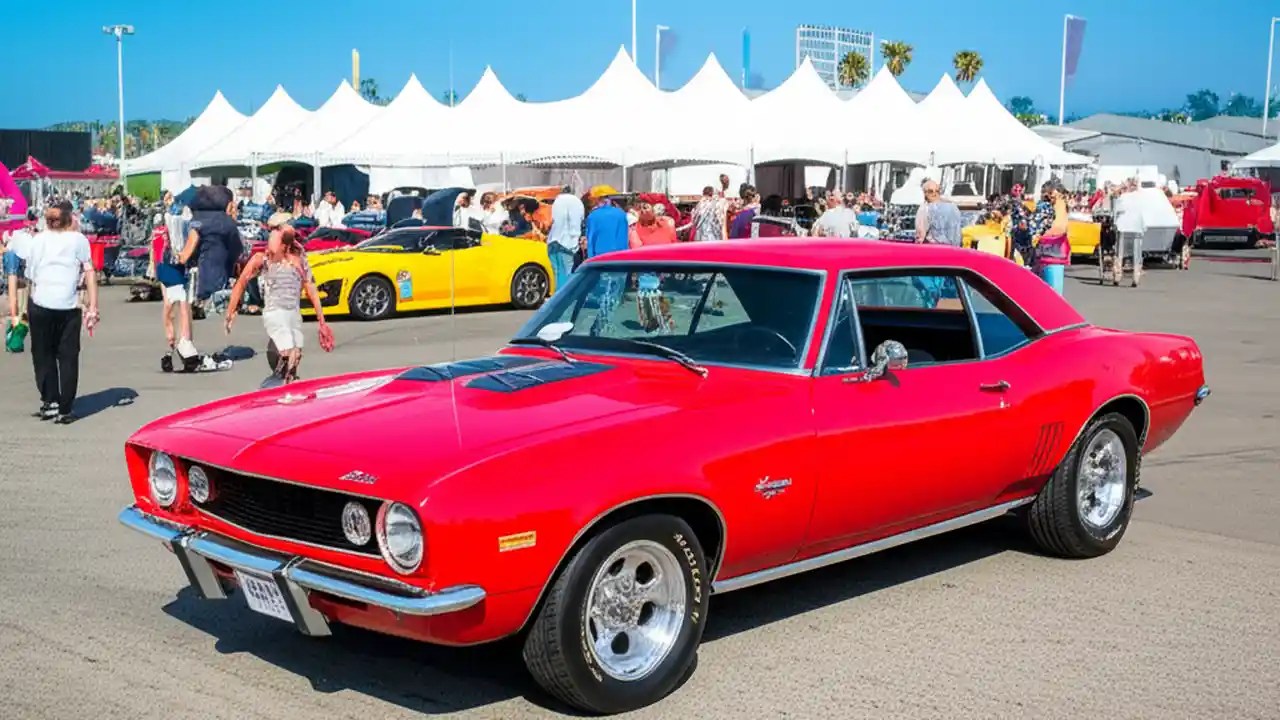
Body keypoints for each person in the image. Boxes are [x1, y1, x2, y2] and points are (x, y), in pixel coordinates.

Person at [13, 201, 98, 423]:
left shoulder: (36, 241)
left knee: (43, 354)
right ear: (69, 220)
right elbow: (89, 271)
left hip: (40, 302)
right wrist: (93, 305)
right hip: (68, 305)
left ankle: (49, 400)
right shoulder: (78, 240)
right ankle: (65, 408)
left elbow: (29, 274)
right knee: (68, 356)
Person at [225, 223, 332, 383]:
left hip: (291, 317)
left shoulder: (299, 262)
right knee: (287, 353)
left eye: (273, 240)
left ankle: (287, 385)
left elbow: (311, 289)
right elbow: (241, 283)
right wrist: (231, 311)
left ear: (284, 245)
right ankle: (282, 383)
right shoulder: (262, 260)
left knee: (294, 357)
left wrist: (322, 322)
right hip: (275, 317)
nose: (269, 244)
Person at [177, 186, 241, 317]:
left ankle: (199, 302)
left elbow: (187, 252)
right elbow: (237, 248)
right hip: (221, 270)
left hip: (201, 271)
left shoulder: (196, 221)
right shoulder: (227, 222)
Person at [1033, 179, 1071, 294]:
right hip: (1049, 251)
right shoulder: (1048, 206)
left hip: (1053, 251)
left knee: (1050, 291)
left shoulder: (1059, 205)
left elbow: (1060, 227)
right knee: (1048, 291)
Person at [547, 186, 584, 288]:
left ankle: (556, 299)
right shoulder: (576, 202)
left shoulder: (557, 201)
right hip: (568, 243)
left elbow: (551, 220)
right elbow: (577, 221)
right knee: (567, 273)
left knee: (557, 273)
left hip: (552, 241)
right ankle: (565, 301)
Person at [915, 180, 962, 246]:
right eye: (931, 191)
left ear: (925, 193)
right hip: (953, 250)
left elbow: (920, 236)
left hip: (934, 250)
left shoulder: (925, 209)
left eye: (937, 191)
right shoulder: (953, 206)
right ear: (925, 193)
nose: (934, 194)